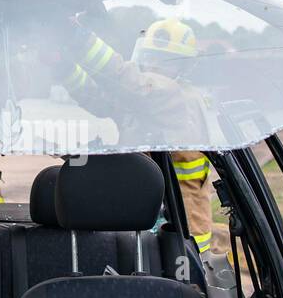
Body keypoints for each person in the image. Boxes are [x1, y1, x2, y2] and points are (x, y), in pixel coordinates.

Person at [59, 16, 217, 255]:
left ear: (185, 67)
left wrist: (78, 38)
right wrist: (62, 67)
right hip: (149, 221)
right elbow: (97, 98)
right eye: (150, 57)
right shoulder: (145, 101)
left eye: (164, 61)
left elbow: (125, 80)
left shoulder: (177, 98)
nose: (153, 66)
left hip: (181, 236)